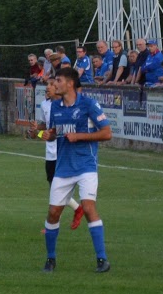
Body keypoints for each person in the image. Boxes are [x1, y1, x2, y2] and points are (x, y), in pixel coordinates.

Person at [37, 65, 111, 273]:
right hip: (63, 167)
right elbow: (53, 133)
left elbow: (106, 133)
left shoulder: (88, 104)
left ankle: (102, 259)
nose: (54, 84)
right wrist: (41, 134)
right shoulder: (56, 107)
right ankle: (50, 260)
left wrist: (80, 136)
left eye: (57, 81)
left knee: (88, 207)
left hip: (86, 165)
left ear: (70, 83)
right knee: (53, 213)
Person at [29, 88, 83, 229]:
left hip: (61, 154)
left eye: (52, 84)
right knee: (55, 190)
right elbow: (48, 128)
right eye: (47, 84)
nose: (47, 87)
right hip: (50, 154)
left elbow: (58, 131)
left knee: (56, 192)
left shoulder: (67, 106)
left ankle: (52, 225)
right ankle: (78, 209)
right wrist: (37, 130)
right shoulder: (45, 105)